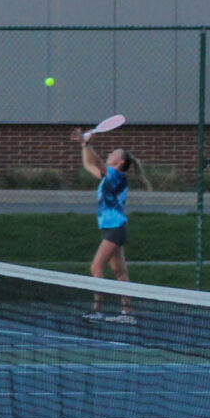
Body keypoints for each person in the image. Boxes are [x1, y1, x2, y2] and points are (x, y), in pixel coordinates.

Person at [74, 129, 146, 323]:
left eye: (114, 153)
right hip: (111, 228)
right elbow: (89, 164)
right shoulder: (109, 177)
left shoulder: (118, 176)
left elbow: (96, 161)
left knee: (96, 266)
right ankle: (128, 314)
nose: (110, 154)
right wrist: (83, 146)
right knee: (120, 271)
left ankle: (98, 310)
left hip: (116, 229)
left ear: (120, 162)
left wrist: (88, 144)